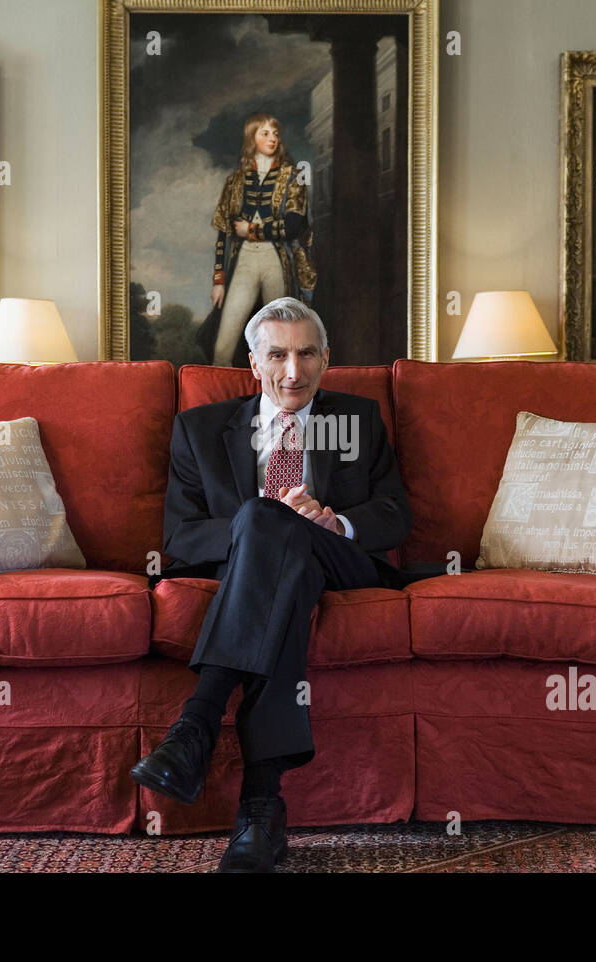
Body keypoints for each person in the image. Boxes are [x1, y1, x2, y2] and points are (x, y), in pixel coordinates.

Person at [132, 296, 420, 872]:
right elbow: (183, 537)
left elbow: (394, 513)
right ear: (253, 363)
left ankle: (196, 726)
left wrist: (334, 522)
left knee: (271, 524)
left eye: (307, 353)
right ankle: (260, 811)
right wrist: (258, 528)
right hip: (271, 570)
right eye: (279, 354)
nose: (295, 370)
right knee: (267, 530)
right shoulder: (201, 428)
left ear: (326, 358)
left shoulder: (358, 420)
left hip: (339, 557)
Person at [196, 113, 315, 367]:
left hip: (276, 260)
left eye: (275, 133)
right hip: (245, 260)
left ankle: (277, 403)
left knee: (280, 341)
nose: (272, 138)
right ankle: (224, 404)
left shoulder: (291, 177)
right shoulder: (236, 181)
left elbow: (294, 225)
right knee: (223, 344)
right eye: (265, 133)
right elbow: (224, 232)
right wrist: (219, 280)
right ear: (252, 138)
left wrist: (252, 230)